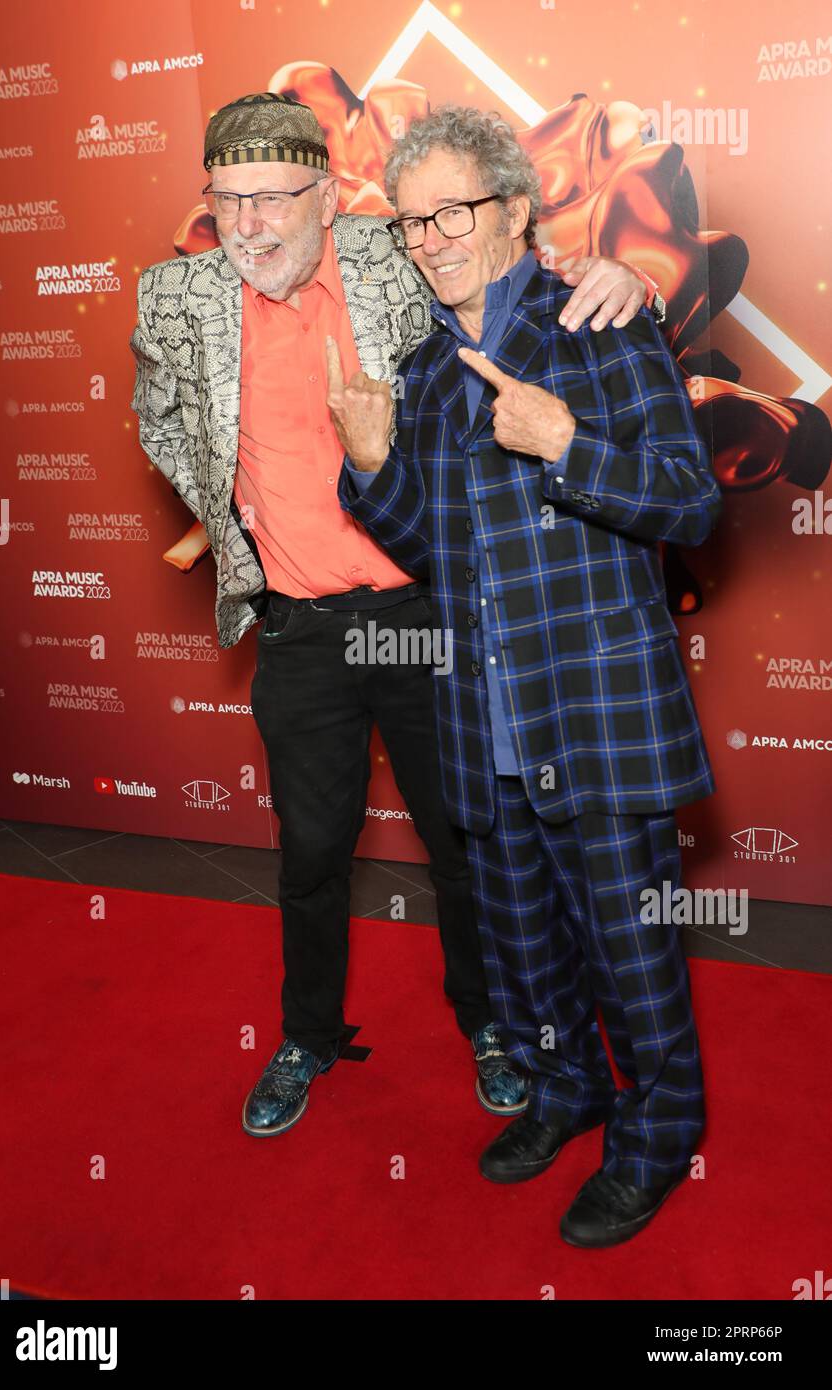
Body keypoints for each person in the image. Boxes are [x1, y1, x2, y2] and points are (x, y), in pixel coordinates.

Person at [130, 92, 662, 1141]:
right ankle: (307, 1034)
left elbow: (519, 266)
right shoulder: (173, 297)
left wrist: (623, 274)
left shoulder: (400, 250)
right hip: (299, 626)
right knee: (310, 854)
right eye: (227, 199)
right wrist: (224, 512)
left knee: (468, 844)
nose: (251, 223)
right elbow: (159, 419)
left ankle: (497, 1026)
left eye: (275, 196)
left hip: (430, 611)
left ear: (327, 196)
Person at [332, 105, 721, 1247]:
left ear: (514, 208)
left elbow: (688, 499)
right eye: (411, 221)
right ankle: (569, 1093)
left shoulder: (596, 322)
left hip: (594, 716)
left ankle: (658, 1133)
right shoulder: (423, 369)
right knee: (524, 958)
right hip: (480, 728)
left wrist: (565, 445)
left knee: (629, 954)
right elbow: (432, 551)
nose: (432, 237)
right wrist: (368, 468)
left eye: (454, 209)